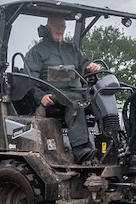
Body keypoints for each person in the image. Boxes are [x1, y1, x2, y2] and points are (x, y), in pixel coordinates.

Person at [25, 16, 101, 161]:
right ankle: (80, 149)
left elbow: (84, 64)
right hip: (52, 96)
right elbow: (29, 80)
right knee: (75, 101)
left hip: (75, 92)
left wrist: (91, 67)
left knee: (99, 96)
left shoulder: (71, 49)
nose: (60, 29)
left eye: (63, 26)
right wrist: (40, 97)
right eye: (57, 26)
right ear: (48, 27)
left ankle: (113, 145)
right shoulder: (37, 52)